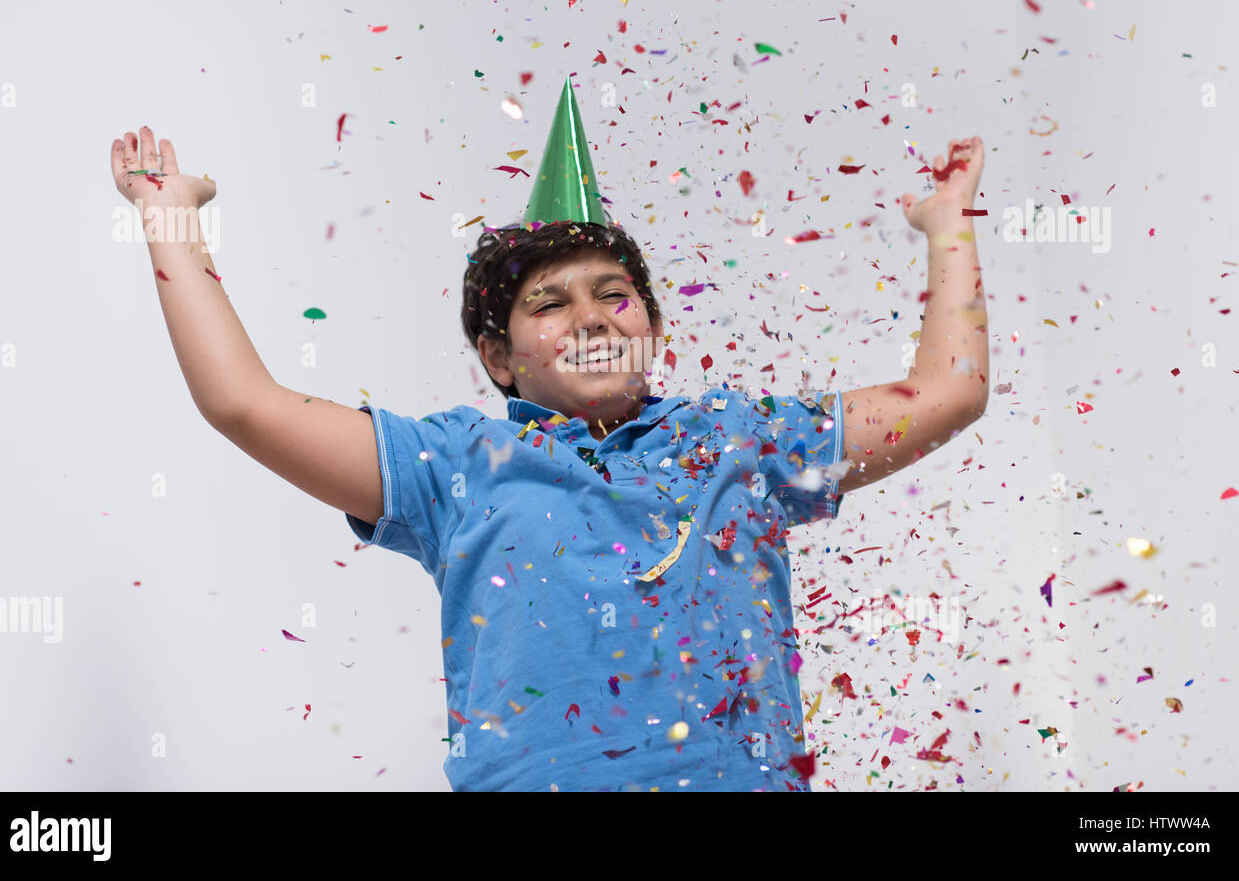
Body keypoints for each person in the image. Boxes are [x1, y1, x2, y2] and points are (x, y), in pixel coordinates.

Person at [109, 76, 988, 791]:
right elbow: (244, 403)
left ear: (653, 329)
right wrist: (169, 218)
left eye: (613, 295)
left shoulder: (740, 438)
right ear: (499, 356)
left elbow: (950, 391)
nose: (591, 317)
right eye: (549, 303)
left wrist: (949, 225)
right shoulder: (457, 463)